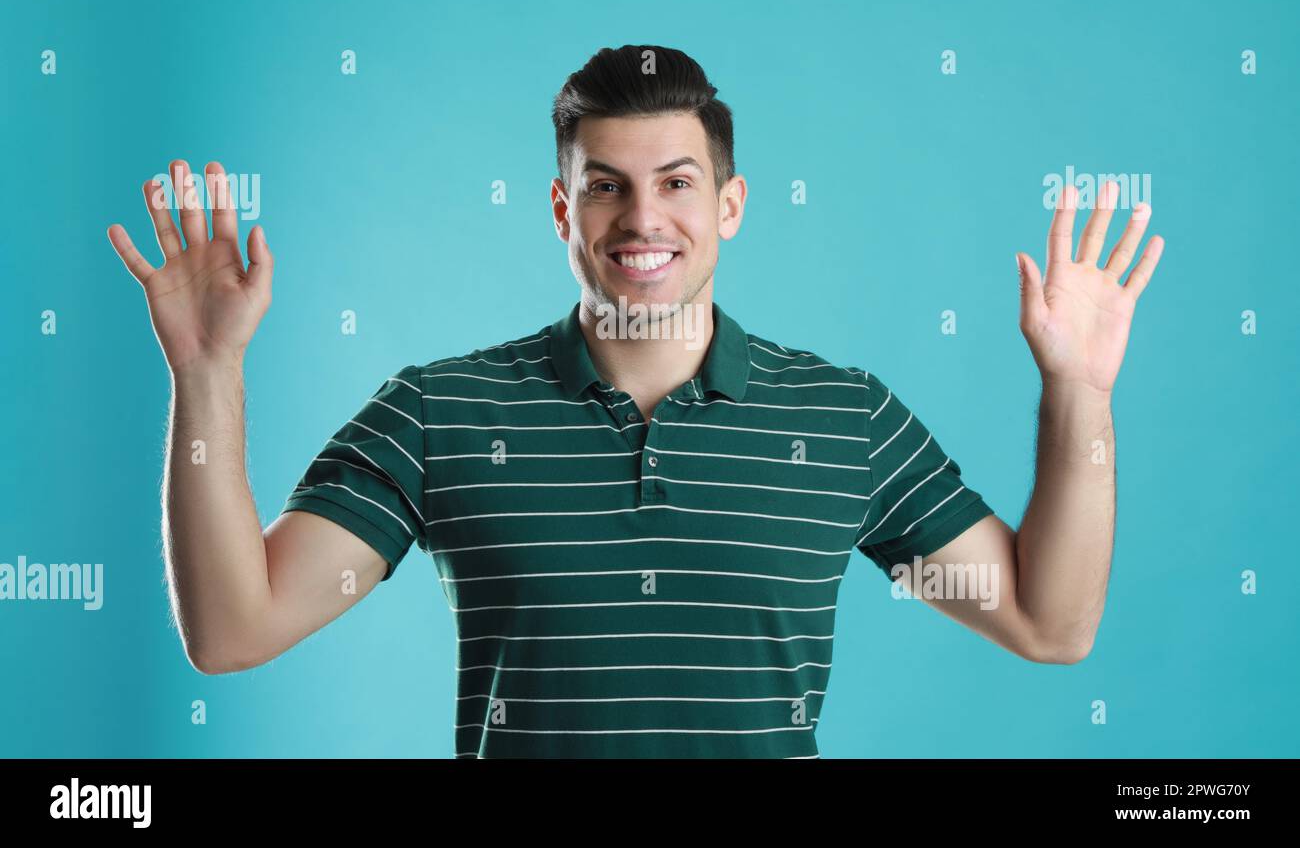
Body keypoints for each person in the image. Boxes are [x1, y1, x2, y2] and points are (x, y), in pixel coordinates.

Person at [106, 44, 1164, 758]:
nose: (641, 217)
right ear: (563, 208)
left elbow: (1047, 619)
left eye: (677, 180)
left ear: (731, 204)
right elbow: (233, 630)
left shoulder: (842, 419)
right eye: (605, 183)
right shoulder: (440, 412)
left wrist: (1076, 390)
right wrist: (205, 371)